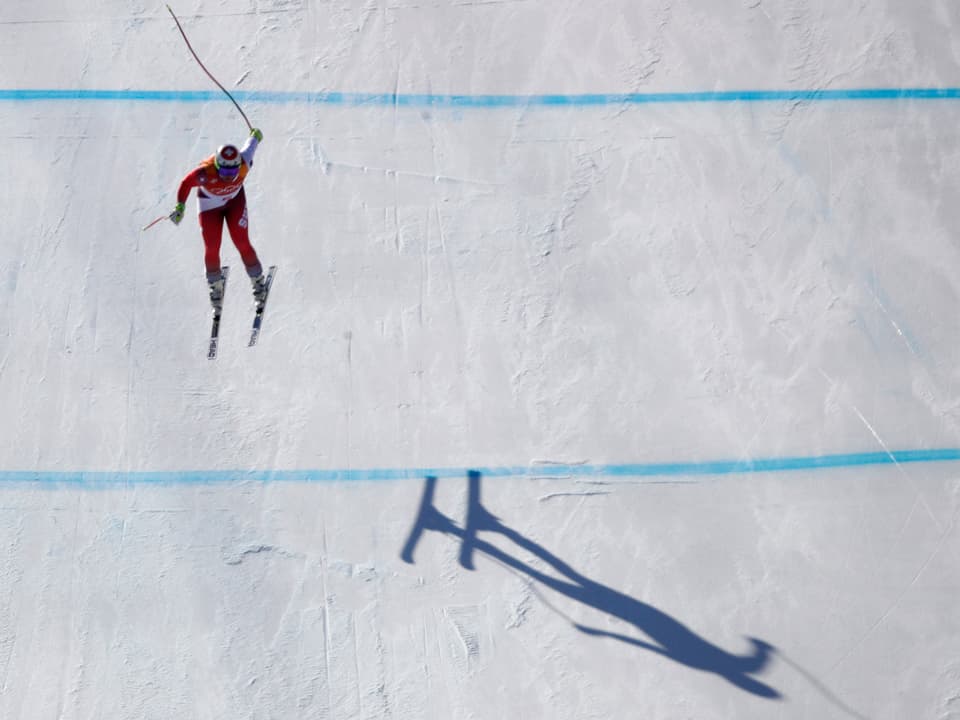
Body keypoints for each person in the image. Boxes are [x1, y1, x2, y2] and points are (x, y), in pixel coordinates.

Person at [169, 127, 267, 310]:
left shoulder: (245, 161)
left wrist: (256, 136)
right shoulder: (205, 172)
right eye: (225, 173)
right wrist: (180, 205)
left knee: (242, 242)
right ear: (216, 165)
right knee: (212, 247)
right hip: (209, 206)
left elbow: (252, 142)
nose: (229, 177)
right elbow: (185, 183)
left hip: (234, 202)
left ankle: (257, 281)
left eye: (233, 173)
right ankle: (215, 285)